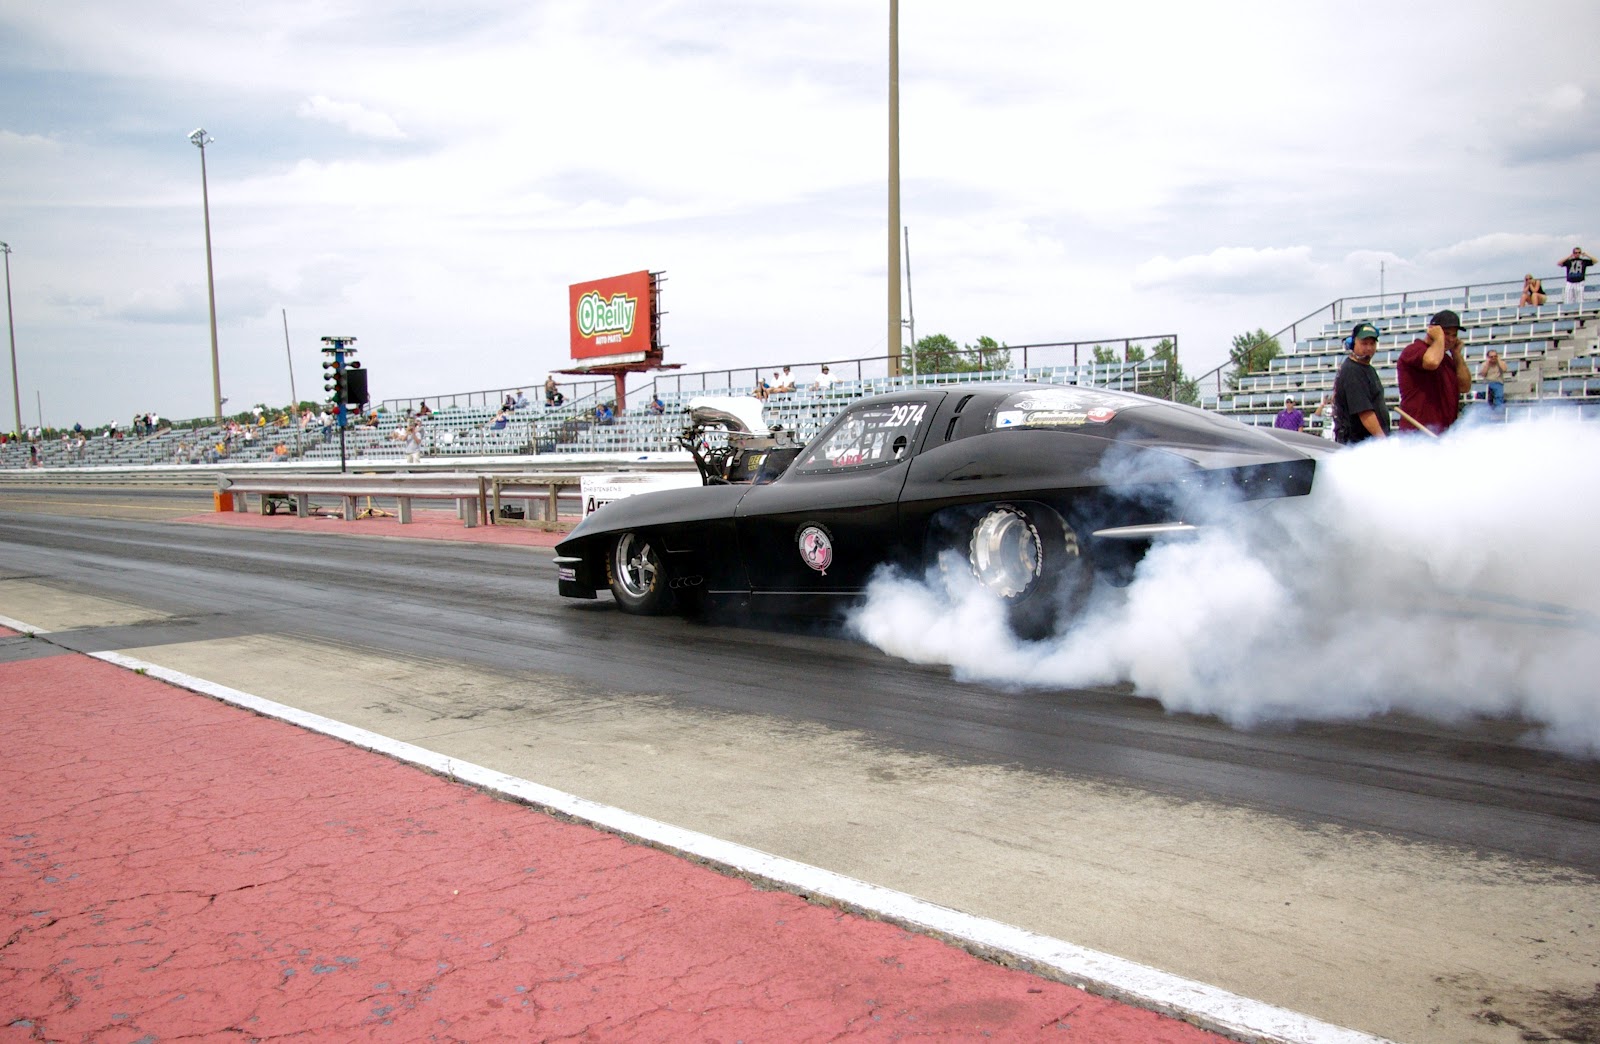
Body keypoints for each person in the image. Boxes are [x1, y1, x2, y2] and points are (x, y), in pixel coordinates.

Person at [1397, 309, 1472, 434]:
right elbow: (1431, 362)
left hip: (1443, 433)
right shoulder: (1414, 350)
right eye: (1446, 333)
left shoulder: (1447, 360)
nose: (1450, 339)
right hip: (1418, 433)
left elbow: (1465, 387)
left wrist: (1457, 354)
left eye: (1454, 335)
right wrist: (1438, 340)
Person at [1332, 321, 1390, 444]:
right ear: (1353, 344)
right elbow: (1364, 413)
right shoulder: (1352, 371)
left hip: (1368, 442)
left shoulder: (1367, 368)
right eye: (1364, 343)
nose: (1368, 348)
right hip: (1358, 444)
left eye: (1372, 343)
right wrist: (1384, 443)